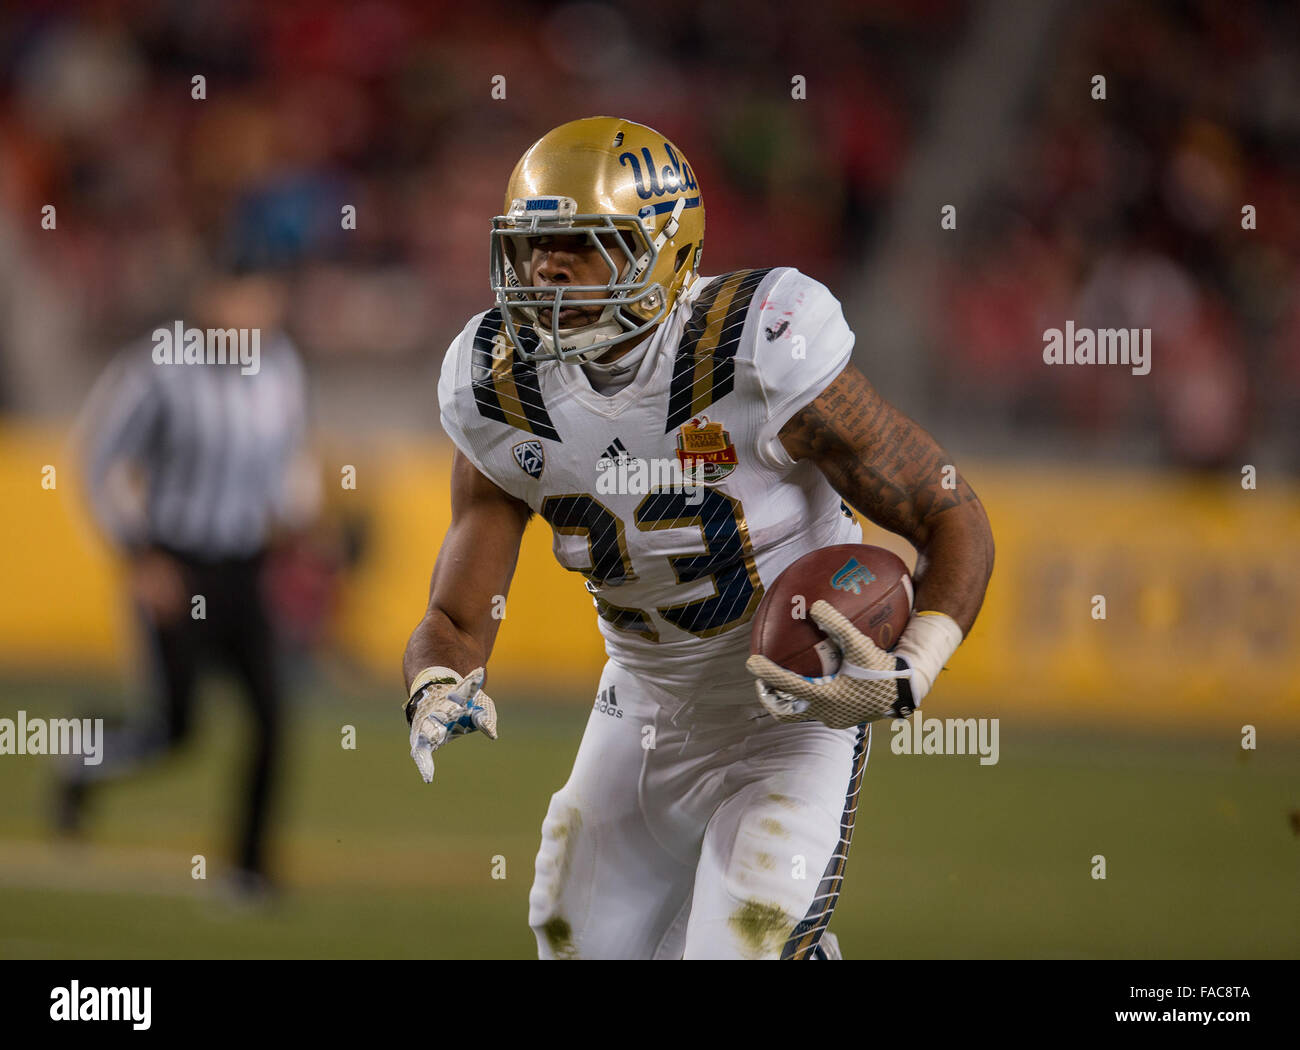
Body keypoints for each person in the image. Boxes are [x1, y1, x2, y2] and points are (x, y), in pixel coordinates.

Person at [402, 117, 994, 958]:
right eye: (532, 244)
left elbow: (948, 512)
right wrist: (435, 681)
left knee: (739, 946)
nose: (547, 268)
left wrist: (910, 668)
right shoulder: (498, 387)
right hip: (642, 703)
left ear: (664, 250)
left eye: (581, 241)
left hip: (795, 709)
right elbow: (458, 618)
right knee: (572, 940)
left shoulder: (755, 349)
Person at [60, 259, 318, 899]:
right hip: (178, 565)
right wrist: (138, 556)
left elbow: (292, 459)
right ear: (211, 300)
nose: (258, 316)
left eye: (268, 301)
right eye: (245, 300)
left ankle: (248, 871)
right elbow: (96, 461)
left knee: (272, 718)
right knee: (175, 730)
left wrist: (297, 519)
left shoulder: (281, 367)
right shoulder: (160, 368)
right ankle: (81, 761)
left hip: (244, 567)